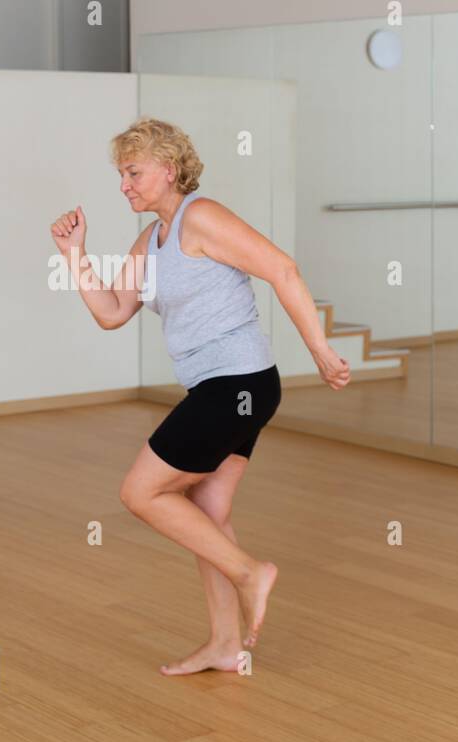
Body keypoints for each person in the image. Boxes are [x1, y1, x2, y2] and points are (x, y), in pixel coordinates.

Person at [49, 117, 350, 674]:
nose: (125, 185)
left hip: (235, 384)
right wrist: (74, 252)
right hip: (230, 387)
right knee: (207, 513)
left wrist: (320, 349)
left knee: (140, 493)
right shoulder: (151, 240)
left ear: (168, 169)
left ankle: (250, 573)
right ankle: (224, 643)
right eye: (121, 175)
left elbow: (281, 269)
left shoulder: (202, 217)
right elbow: (113, 312)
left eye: (133, 172)